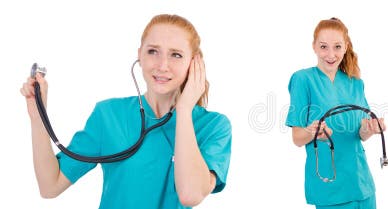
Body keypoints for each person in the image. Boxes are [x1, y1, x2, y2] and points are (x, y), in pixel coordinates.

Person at [20, 14, 232, 208]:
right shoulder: (109, 115)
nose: (162, 65)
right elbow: (50, 186)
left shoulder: (213, 127)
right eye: (153, 52)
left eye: (176, 55)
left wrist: (184, 110)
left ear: (194, 63)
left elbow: (190, 195)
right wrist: (38, 117)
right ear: (139, 55)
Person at [286, 17, 387, 209]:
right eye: (324, 47)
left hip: (362, 185)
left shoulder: (355, 82)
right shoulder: (303, 80)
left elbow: (361, 135)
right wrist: (312, 132)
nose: (331, 54)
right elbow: (297, 138)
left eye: (337, 47)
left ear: (346, 46)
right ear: (314, 47)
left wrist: (371, 128)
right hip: (330, 189)